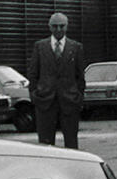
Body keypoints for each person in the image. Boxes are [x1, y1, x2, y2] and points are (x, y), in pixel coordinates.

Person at [27, 12, 86, 149]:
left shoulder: (76, 47)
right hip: (45, 102)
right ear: (49, 27)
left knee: (71, 144)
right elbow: (33, 73)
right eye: (55, 26)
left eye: (62, 26)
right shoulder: (40, 47)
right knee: (45, 145)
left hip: (70, 102)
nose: (58, 29)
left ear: (67, 26)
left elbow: (80, 76)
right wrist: (35, 95)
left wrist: (78, 97)